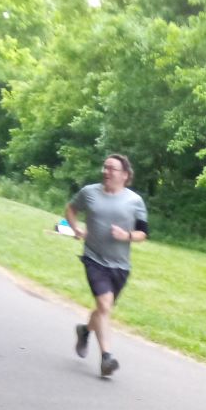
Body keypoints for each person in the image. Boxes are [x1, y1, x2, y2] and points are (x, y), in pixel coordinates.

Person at [65, 154, 148, 379]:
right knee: (104, 304)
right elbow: (71, 209)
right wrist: (75, 228)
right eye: (105, 167)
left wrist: (126, 235)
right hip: (94, 259)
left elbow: (143, 233)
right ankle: (106, 358)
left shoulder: (135, 201)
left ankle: (85, 331)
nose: (106, 171)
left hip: (120, 265)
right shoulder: (89, 192)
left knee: (104, 309)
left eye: (112, 168)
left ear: (125, 175)